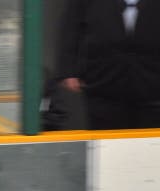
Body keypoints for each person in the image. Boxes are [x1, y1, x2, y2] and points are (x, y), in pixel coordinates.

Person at [56, 0, 160, 130]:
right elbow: (71, 27)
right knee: (106, 131)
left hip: (152, 83)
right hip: (102, 81)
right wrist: (68, 71)